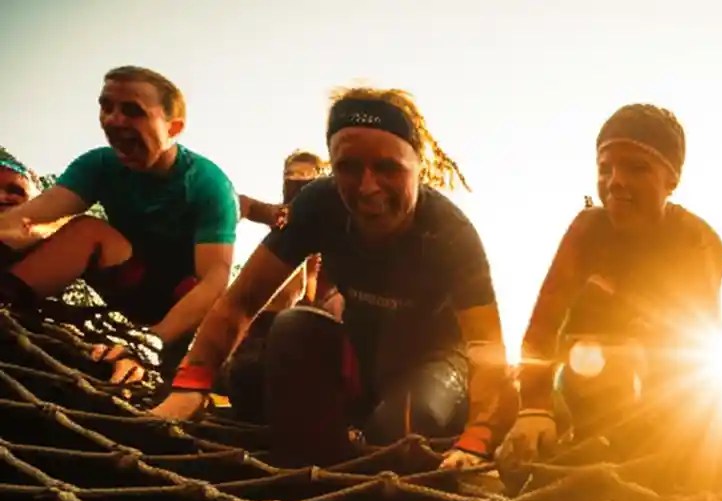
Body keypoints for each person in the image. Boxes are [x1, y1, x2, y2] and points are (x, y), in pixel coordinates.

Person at [148, 86, 515, 471]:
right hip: (362, 357)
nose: (368, 187)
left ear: (418, 165)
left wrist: (477, 440)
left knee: (401, 427)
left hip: (434, 367)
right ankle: (309, 475)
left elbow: (486, 346)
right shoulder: (319, 203)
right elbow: (241, 302)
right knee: (283, 338)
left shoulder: (448, 231)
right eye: (349, 167)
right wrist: (190, 385)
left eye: (388, 168)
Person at [497, 103, 722, 465]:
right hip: (577, 380)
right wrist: (534, 410)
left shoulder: (698, 241)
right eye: (605, 168)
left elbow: (699, 352)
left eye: (637, 168)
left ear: (672, 180)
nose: (615, 181)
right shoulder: (586, 230)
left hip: (663, 394)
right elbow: (541, 329)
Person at [0, 66, 239, 384]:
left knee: (91, 230)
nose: (113, 119)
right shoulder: (99, 164)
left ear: (174, 127)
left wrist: (151, 340)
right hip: (130, 279)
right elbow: (33, 215)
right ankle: (8, 300)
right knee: (85, 231)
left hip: (182, 303)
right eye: (106, 106)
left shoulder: (208, 183)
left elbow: (215, 278)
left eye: (132, 110)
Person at [216, 150, 330, 421]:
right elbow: (241, 203)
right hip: (260, 327)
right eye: (291, 175)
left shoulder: (333, 230)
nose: (296, 180)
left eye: (305, 176)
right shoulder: (281, 221)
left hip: (307, 331)